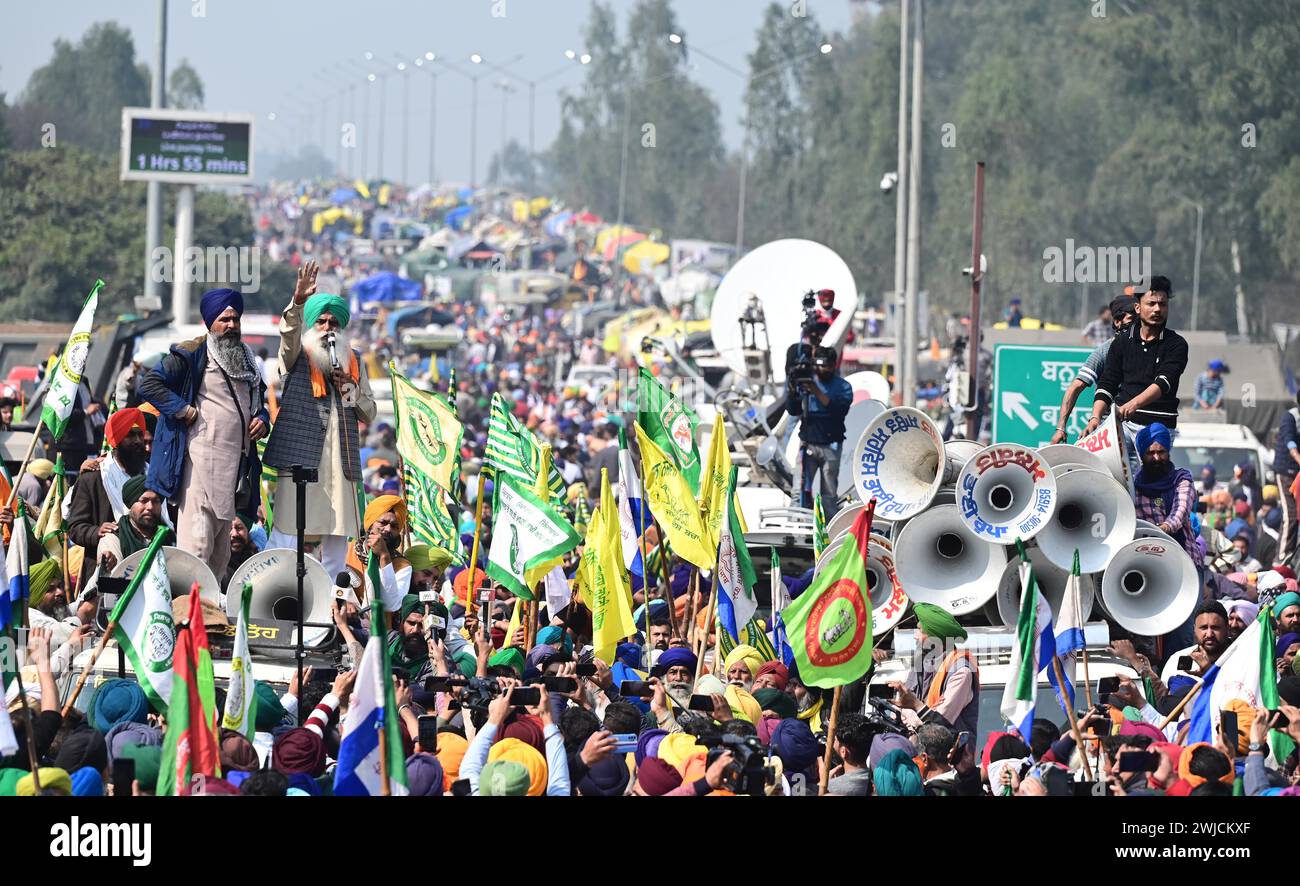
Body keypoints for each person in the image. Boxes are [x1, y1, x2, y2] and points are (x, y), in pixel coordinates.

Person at [139, 287, 269, 585]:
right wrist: (182, 410)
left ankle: (208, 622)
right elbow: (150, 384)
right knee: (196, 548)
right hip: (198, 464)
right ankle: (189, 618)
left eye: (236, 319)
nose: (231, 325)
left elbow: (259, 401)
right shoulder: (192, 352)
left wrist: (262, 419)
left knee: (220, 556)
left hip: (234, 470)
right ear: (210, 322)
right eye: (224, 319)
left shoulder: (246, 359)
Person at [264, 261, 377, 578]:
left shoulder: (353, 361)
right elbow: (288, 336)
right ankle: (273, 589)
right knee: (286, 533)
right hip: (302, 459)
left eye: (334, 323)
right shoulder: (298, 352)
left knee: (337, 542)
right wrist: (298, 302)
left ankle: (328, 606)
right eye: (322, 321)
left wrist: (348, 389)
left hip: (341, 467)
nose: (329, 327)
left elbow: (368, 411)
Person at [1086, 277, 1190, 467]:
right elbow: (1107, 383)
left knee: (1148, 485)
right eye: (1151, 303)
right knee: (1106, 473)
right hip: (1122, 426)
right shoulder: (1121, 342)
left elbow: (1163, 383)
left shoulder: (1177, 344)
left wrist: (1132, 405)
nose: (1157, 309)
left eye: (1162, 304)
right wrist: (1095, 417)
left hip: (1158, 427)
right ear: (1138, 307)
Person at [66, 407, 150, 567]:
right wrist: (96, 531)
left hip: (147, 561)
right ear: (117, 441)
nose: (138, 441)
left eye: (140, 434)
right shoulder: (93, 478)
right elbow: (75, 527)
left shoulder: (152, 475)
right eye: (131, 435)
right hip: (105, 564)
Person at [1050, 295, 1134, 444]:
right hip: (1112, 433)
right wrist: (1061, 428)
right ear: (1117, 322)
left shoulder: (1148, 350)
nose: (1137, 327)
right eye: (1132, 321)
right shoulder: (1104, 352)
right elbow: (1075, 387)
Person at [888, 602, 979, 736]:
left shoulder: (960, 672)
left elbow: (939, 723)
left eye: (920, 630)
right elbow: (902, 709)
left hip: (947, 754)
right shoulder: (920, 662)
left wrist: (915, 705)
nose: (915, 636)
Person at [786, 346, 852, 516]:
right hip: (807, 443)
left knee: (828, 495)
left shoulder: (843, 387)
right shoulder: (806, 382)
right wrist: (793, 390)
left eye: (826, 366)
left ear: (833, 365)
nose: (822, 370)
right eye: (818, 366)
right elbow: (793, 411)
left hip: (831, 446)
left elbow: (838, 411)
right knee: (798, 492)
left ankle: (829, 531)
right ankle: (795, 525)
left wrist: (816, 391)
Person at [95, 475, 165, 572]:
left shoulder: (169, 537)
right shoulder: (114, 538)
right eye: (143, 501)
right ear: (130, 504)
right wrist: (108, 561)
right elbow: (114, 578)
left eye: (156, 501)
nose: (150, 507)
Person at [1161, 601, 1231, 685]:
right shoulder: (1176, 659)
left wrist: (1209, 673)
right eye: (1204, 628)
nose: (1209, 634)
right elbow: (1164, 696)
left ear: (1227, 628)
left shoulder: (1243, 660)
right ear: (1194, 629)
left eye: (1215, 628)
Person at [1272, 391, 1300, 569]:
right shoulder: (1290, 417)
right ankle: (1281, 559)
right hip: (1286, 473)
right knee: (1289, 516)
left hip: (1297, 475)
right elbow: (1290, 443)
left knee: (1296, 516)